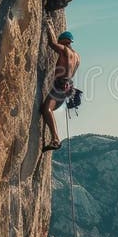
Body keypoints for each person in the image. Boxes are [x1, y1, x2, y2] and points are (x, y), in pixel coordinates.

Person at [41, 23, 80, 151]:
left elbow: (52, 43)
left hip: (61, 85)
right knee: (46, 110)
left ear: (64, 41)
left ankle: (55, 139)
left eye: (61, 41)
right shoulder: (77, 57)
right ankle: (54, 137)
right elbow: (72, 73)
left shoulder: (65, 50)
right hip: (68, 86)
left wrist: (49, 26)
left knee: (47, 109)